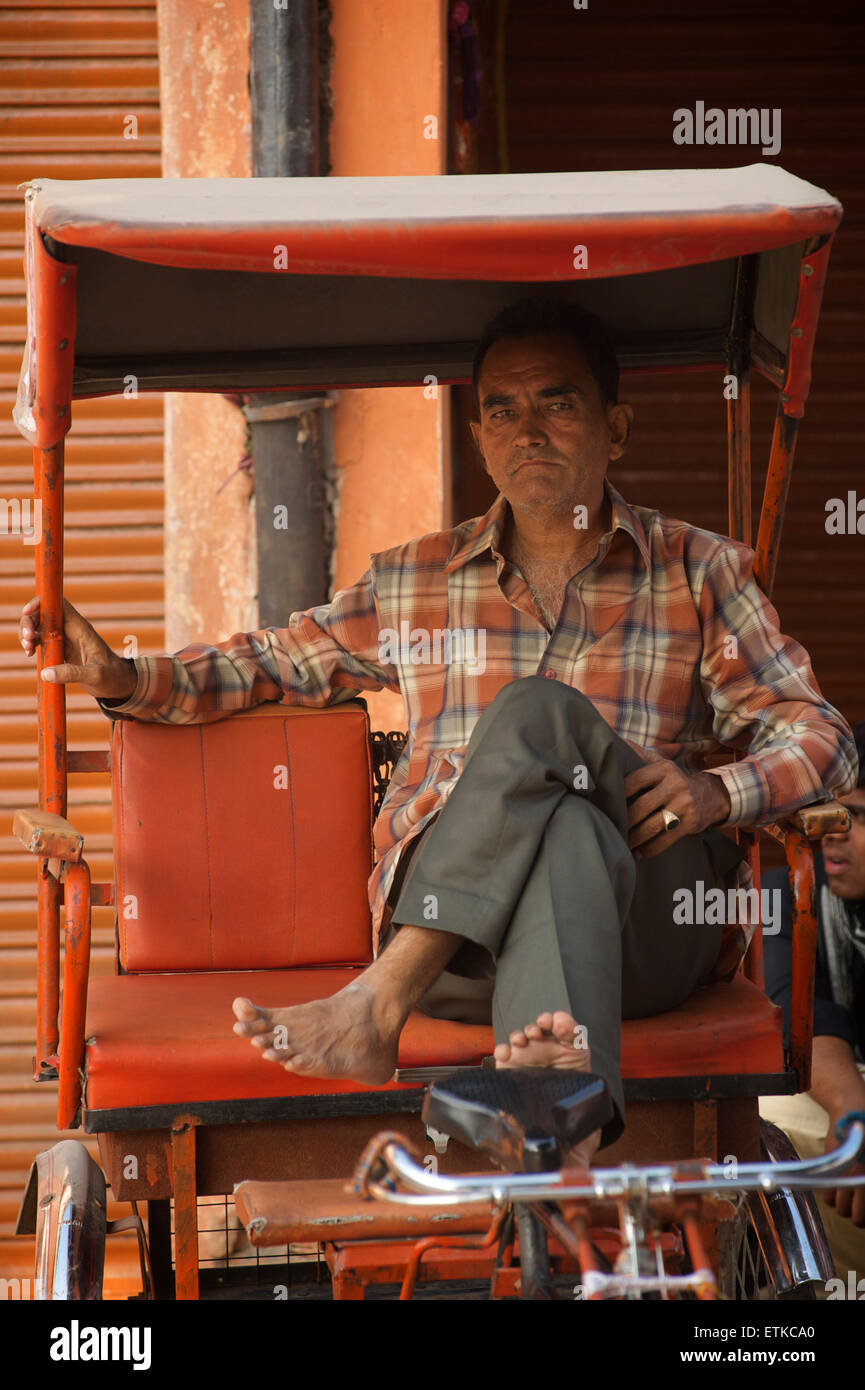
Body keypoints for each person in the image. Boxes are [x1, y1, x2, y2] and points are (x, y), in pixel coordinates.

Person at [19, 297, 857, 1171]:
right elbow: (270, 663)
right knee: (561, 813)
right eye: (501, 409)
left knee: (543, 726)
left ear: (615, 429)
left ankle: (377, 1004)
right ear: (479, 436)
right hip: (464, 957)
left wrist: (718, 791)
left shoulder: (698, 572)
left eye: (556, 402)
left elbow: (824, 738)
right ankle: (555, 1110)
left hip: (642, 931)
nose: (526, 429)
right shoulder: (415, 582)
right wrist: (123, 676)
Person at [761, 719, 865, 1283]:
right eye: (829, 812)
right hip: (849, 1110)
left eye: (858, 818)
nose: (832, 831)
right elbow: (802, 1017)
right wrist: (856, 1116)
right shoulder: (786, 893)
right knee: (767, 1114)